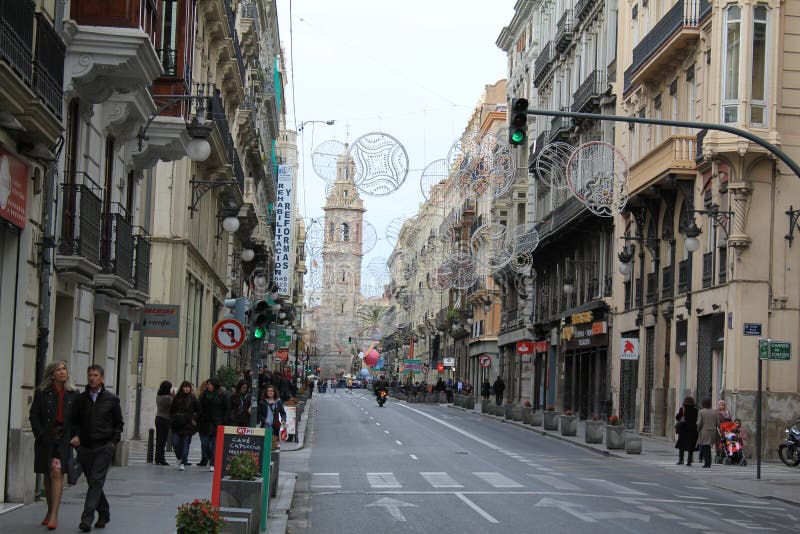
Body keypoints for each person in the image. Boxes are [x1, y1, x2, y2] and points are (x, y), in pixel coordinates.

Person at [72, 364, 124, 532]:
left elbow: (119, 423)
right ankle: (104, 512)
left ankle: (87, 518)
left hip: (104, 446)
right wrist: (76, 436)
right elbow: (75, 422)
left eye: (95, 375)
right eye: (90, 375)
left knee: (96, 480)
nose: (92, 378)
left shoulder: (112, 399)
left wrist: (112, 443)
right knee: (93, 482)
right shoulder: (80, 399)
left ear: (102, 378)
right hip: (85, 447)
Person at [29, 360, 79, 530]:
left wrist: (76, 435)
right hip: (46, 438)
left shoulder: (73, 393)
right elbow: (34, 415)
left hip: (64, 440)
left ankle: (54, 515)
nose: (62, 372)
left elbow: (78, 418)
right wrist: (40, 433)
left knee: (57, 472)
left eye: (64, 368)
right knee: (47, 475)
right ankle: (49, 511)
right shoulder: (42, 393)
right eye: (58, 369)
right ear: (52, 374)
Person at [170, 381, 199, 471]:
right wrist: (173, 419)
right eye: (185, 387)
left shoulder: (193, 398)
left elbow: (199, 410)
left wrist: (194, 418)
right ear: (182, 388)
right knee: (175, 443)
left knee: (186, 444)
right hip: (177, 424)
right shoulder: (177, 398)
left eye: (188, 387)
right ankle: (179, 458)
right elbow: (172, 410)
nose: (187, 388)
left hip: (188, 425)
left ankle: (183, 462)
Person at [198, 378, 227, 472]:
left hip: (216, 424)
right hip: (205, 424)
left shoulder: (221, 395)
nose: (208, 386)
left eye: (210, 384)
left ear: (214, 385)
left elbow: (226, 409)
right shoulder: (203, 396)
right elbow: (199, 409)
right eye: (207, 384)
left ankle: (213, 463)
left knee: (215, 446)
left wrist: (223, 421)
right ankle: (210, 457)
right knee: (205, 443)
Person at [258, 385, 287, 451]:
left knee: (273, 446)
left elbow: (283, 413)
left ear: (274, 392)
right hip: (265, 427)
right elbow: (259, 415)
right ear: (266, 392)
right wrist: (265, 420)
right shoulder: (262, 402)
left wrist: (283, 420)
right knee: (265, 446)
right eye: (268, 391)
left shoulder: (278, 402)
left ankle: (272, 459)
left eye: (272, 391)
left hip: (275, 427)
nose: (270, 392)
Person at [674, 396, 698, 466]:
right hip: (693, 431)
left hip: (683, 430)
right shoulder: (696, 410)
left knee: (682, 446)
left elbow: (677, 417)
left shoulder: (682, 409)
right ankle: (689, 461)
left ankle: (681, 460)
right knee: (691, 446)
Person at [154, 381, 173, 466]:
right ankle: (161, 459)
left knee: (159, 439)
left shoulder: (158, 396)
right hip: (165, 419)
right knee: (163, 440)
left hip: (158, 417)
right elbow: (173, 404)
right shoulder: (167, 398)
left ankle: (157, 458)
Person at [697, 398, 719, 468]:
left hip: (704, 431)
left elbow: (699, 423)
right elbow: (718, 423)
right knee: (708, 447)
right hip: (713, 431)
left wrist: (697, 430)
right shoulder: (715, 412)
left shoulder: (701, 412)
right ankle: (708, 462)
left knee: (705, 447)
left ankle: (707, 463)